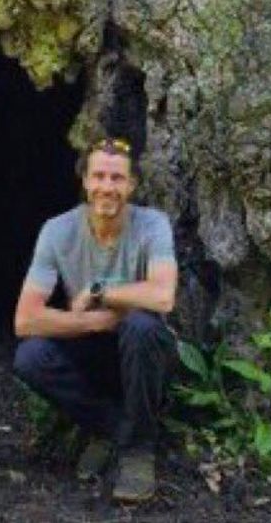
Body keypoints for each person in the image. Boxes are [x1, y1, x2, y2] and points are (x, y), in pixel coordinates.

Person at [12, 136, 178, 503]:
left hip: (144, 352)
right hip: (93, 344)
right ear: (85, 181)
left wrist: (100, 290)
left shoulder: (152, 224)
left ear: (132, 185)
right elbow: (25, 320)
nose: (107, 186)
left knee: (141, 327)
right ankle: (110, 427)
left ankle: (138, 451)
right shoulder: (57, 230)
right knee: (31, 357)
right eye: (99, 176)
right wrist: (101, 321)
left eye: (117, 178)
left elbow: (162, 296)